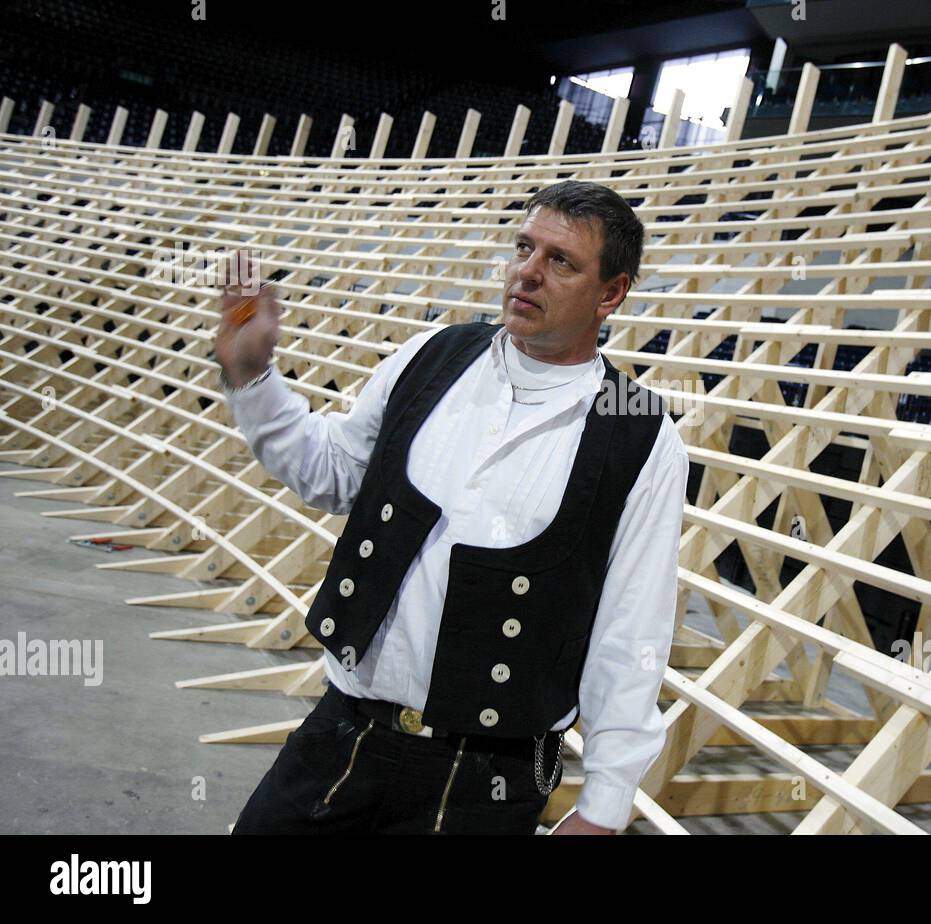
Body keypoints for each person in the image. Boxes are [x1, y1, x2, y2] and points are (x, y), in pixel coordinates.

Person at [216, 180, 688, 834]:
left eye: (561, 261)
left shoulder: (640, 434)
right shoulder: (432, 356)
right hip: (343, 732)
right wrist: (252, 377)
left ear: (611, 294)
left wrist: (604, 806)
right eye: (525, 248)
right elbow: (330, 473)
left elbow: (631, 632)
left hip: (484, 782)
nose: (527, 270)